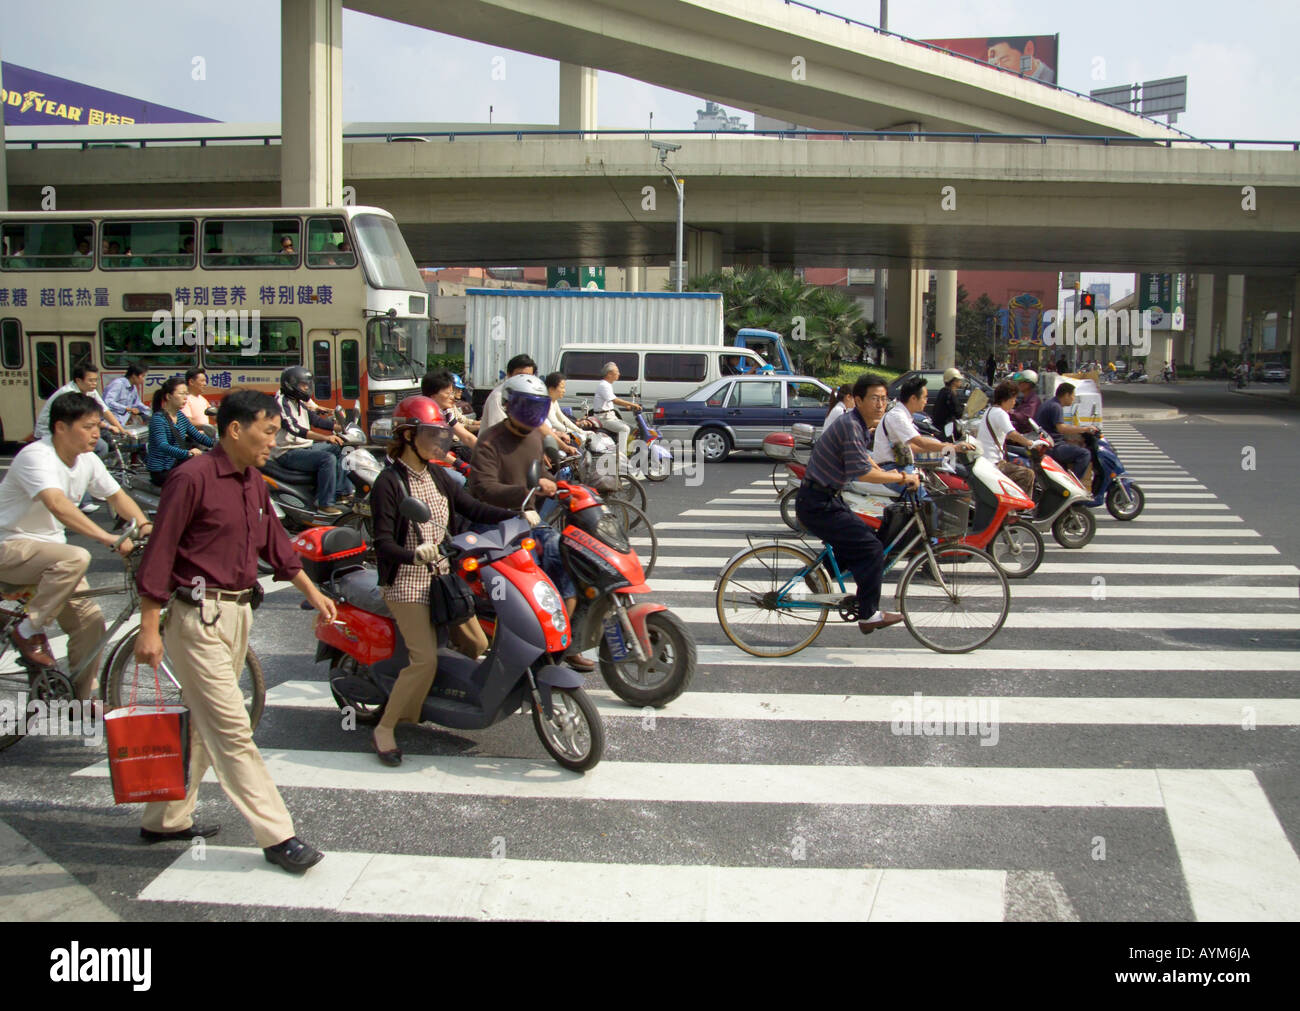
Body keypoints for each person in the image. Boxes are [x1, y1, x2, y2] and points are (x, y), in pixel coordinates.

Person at [134, 390, 335, 873]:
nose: (274, 442)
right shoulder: (191, 479)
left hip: (239, 614)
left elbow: (276, 546)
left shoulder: (252, 482)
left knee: (206, 723)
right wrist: (148, 627)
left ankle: (165, 819)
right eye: (268, 432)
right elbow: (160, 552)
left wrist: (314, 592)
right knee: (231, 727)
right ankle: (278, 835)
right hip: (197, 617)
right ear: (235, 429)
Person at [368, 396, 517, 766]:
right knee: (423, 660)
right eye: (431, 434)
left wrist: (516, 514)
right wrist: (414, 555)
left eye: (441, 434)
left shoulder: (436, 475)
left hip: (442, 578)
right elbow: (382, 543)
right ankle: (386, 727)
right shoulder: (389, 483)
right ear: (407, 435)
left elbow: (470, 506)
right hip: (407, 582)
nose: (439, 441)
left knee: (477, 642)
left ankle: (427, 696)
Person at [0, 393, 152, 694]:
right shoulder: (36, 456)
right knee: (76, 557)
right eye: (88, 426)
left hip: (51, 555)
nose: (96, 433)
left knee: (91, 623)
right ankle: (27, 630)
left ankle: (80, 700)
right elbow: (57, 504)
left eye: (98, 426)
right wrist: (108, 538)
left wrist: (146, 528)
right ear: (60, 427)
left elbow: (117, 497)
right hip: (10, 546)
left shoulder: (88, 460)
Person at [467, 374, 590, 672]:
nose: (531, 414)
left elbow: (538, 474)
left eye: (537, 407)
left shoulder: (535, 436)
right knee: (530, 577)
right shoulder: (490, 440)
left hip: (528, 519)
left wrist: (561, 487)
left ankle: (566, 643)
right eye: (526, 407)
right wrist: (528, 491)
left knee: (568, 557)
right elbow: (483, 487)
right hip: (496, 523)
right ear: (509, 406)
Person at [795, 374, 921, 635]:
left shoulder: (859, 425)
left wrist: (891, 472)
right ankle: (869, 614)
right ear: (858, 400)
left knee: (863, 537)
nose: (880, 404)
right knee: (872, 549)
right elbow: (862, 473)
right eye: (874, 398)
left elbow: (864, 459)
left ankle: (818, 575)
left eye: (884, 399)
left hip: (825, 498)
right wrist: (901, 477)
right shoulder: (851, 425)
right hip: (817, 503)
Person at [271, 366, 348, 515]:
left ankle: (340, 492)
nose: (306, 388)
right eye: (303, 385)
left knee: (341, 447)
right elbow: (295, 429)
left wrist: (342, 428)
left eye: (307, 385)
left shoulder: (299, 402)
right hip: (287, 452)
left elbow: (316, 421)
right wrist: (326, 437)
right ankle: (324, 504)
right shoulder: (281, 403)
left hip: (304, 448)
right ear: (290, 385)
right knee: (327, 459)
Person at [872, 376, 975, 469]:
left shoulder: (904, 415)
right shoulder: (898, 416)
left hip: (899, 465)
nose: (926, 401)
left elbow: (913, 447)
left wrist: (940, 447)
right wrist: (954, 447)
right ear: (913, 398)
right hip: (890, 467)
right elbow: (920, 442)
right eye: (924, 397)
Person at [34, 363, 128, 451]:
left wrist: (121, 429)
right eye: (90, 380)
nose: (94, 383)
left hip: (72, 428)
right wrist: (109, 426)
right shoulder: (69, 393)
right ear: (78, 380)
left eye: (96, 380)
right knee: (101, 447)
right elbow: (82, 419)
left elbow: (105, 411)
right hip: (51, 433)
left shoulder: (90, 390)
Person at [975, 381, 1038, 498]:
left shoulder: (990, 410)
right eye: (1013, 399)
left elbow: (1005, 434)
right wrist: (1030, 443)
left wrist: (1021, 437)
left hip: (984, 460)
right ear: (1006, 399)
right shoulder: (1001, 413)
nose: (1014, 402)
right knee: (1028, 474)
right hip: (994, 463)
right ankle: (1020, 505)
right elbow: (1012, 433)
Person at [146, 377, 214, 486]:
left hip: (178, 465)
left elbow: (198, 436)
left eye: (186, 394)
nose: (185, 398)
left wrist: (218, 444)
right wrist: (188, 453)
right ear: (168, 396)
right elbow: (163, 446)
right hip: (162, 471)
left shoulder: (180, 416)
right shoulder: (158, 419)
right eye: (181, 394)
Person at [1035, 381, 1096, 482]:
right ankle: (1073, 483)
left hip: (1048, 444)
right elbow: (1061, 428)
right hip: (1053, 447)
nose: (1073, 398)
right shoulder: (1056, 407)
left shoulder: (1049, 403)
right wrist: (1085, 429)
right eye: (1073, 396)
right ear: (1067, 395)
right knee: (1085, 454)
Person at [593, 362, 642, 465]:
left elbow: (610, 401)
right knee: (625, 429)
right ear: (609, 374)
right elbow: (615, 400)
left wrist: (628, 406)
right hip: (603, 418)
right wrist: (632, 404)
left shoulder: (607, 385)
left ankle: (625, 452)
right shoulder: (604, 385)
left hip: (610, 416)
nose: (619, 374)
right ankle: (621, 457)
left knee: (633, 429)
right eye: (617, 372)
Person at [421, 370, 479, 451]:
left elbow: (467, 438)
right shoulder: (423, 416)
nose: (452, 397)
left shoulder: (446, 413)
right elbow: (431, 450)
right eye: (448, 394)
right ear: (433, 395)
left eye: (452, 393)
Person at [479, 354, 537, 432]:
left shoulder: (529, 396)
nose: (524, 380)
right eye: (520, 375)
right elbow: (499, 430)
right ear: (509, 375)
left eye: (528, 376)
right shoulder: (498, 397)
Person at [543, 373, 585, 454]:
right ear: (551, 389)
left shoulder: (554, 401)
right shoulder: (546, 402)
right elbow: (554, 423)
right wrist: (572, 432)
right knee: (575, 446)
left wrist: (579, 431)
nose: (564, 390)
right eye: (562, 388)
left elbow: (563, 418)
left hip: (558, 435)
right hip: (550, 438)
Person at [986, 35, 1055, 83]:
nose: (1000, 68)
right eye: (996, 63)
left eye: (1005, 60)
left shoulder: (1051, 79)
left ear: (1029, 49)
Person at [928, 368, 963, 441]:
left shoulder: (943, 391)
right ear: (953, 381)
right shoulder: (950, 394)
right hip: (945, 430)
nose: (960, 381)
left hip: (939, 427)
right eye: (958, 380)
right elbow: (958, 413)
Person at [181, 366, 216, 438]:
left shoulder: (203, 399)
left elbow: (213, 415)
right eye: (202, 381)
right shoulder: (185, 400)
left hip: (205, 437)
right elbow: (187, 422)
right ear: (191, 382)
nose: (205, 384)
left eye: (205, 381)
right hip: (192, 439)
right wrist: (204, 426)